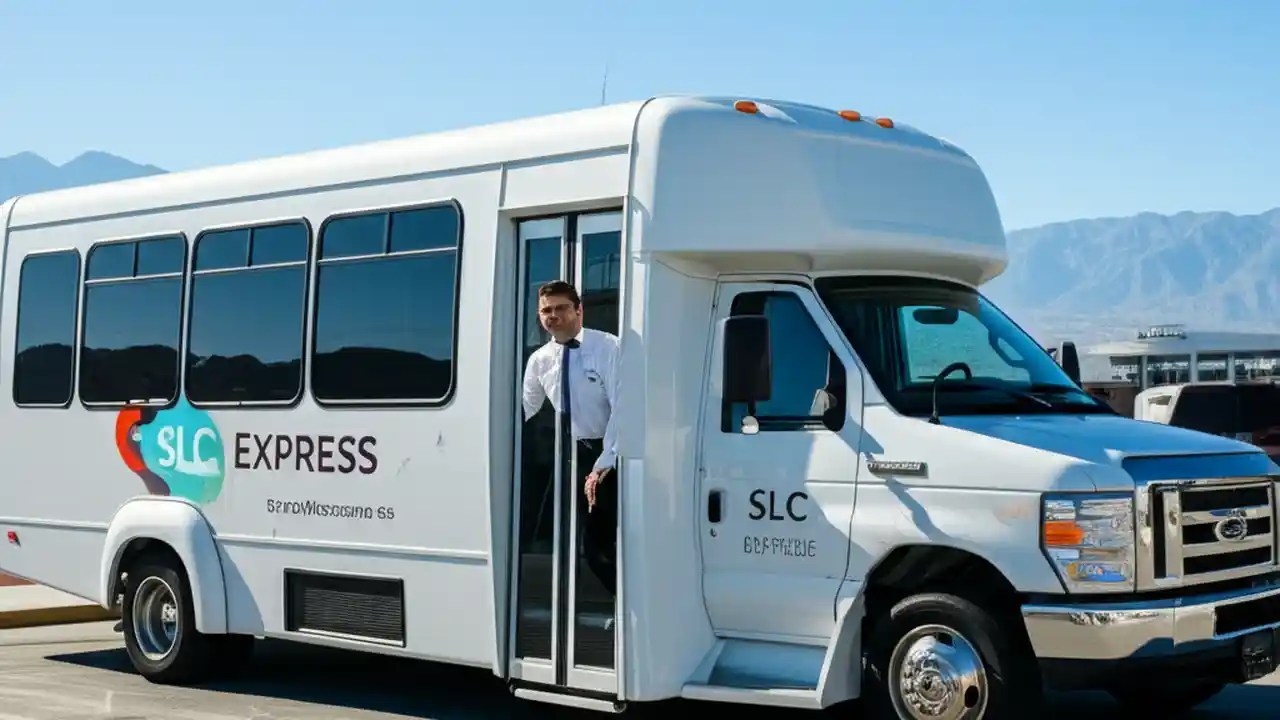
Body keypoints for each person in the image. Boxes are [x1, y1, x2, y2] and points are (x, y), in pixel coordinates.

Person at [522, 280, 620, 595]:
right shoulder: (539, 360)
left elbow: (625, 408)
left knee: (609, 544)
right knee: (592, 546)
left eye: (561, 308)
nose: (553, 316)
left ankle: (634, 615)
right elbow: (525, 408)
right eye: (546, 311)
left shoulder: (609, 347)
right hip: (575, 455)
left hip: (615, 454)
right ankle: (622, 606)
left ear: (579, 310)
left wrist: (603, 465)